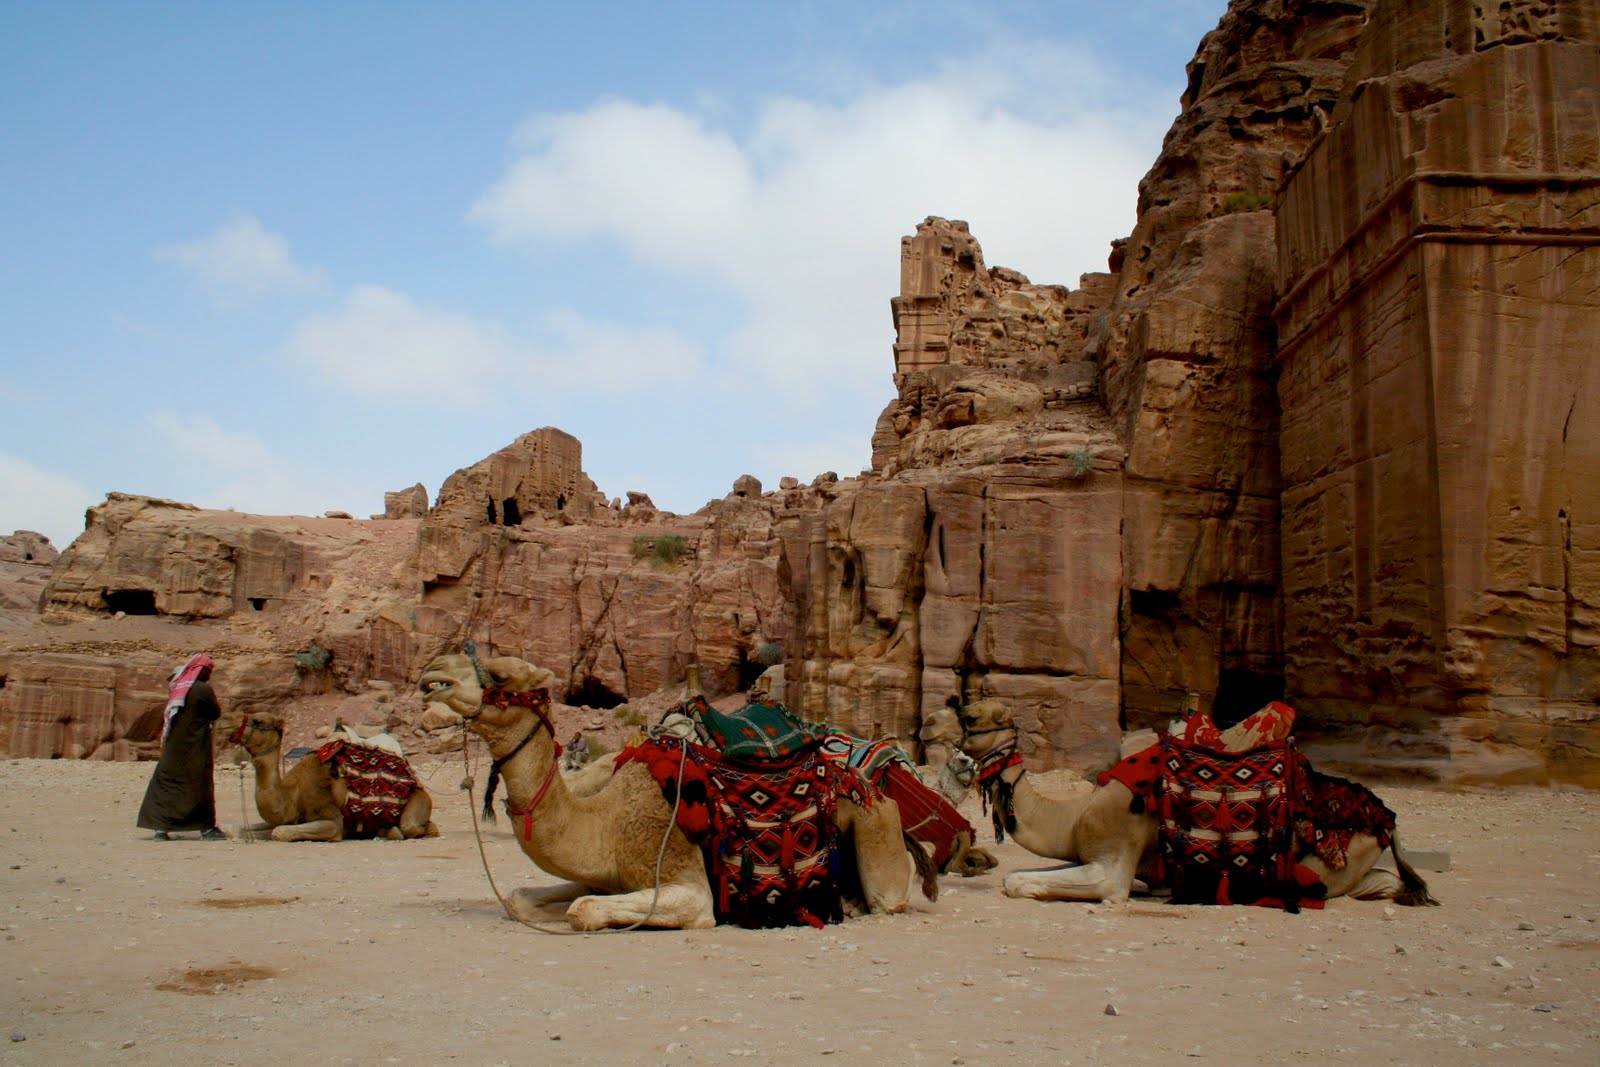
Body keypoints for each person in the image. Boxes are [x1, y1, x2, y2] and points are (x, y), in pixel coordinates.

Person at [136, 653, 226, 841]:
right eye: (207, 671)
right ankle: (207, 828)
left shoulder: (179, 688)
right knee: (199, 785)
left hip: (173, 747)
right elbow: (215, 712)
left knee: (167, 783)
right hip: (195, 746)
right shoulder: (202, 690)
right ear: (201, 671)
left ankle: (161, 828)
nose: (208, 675)